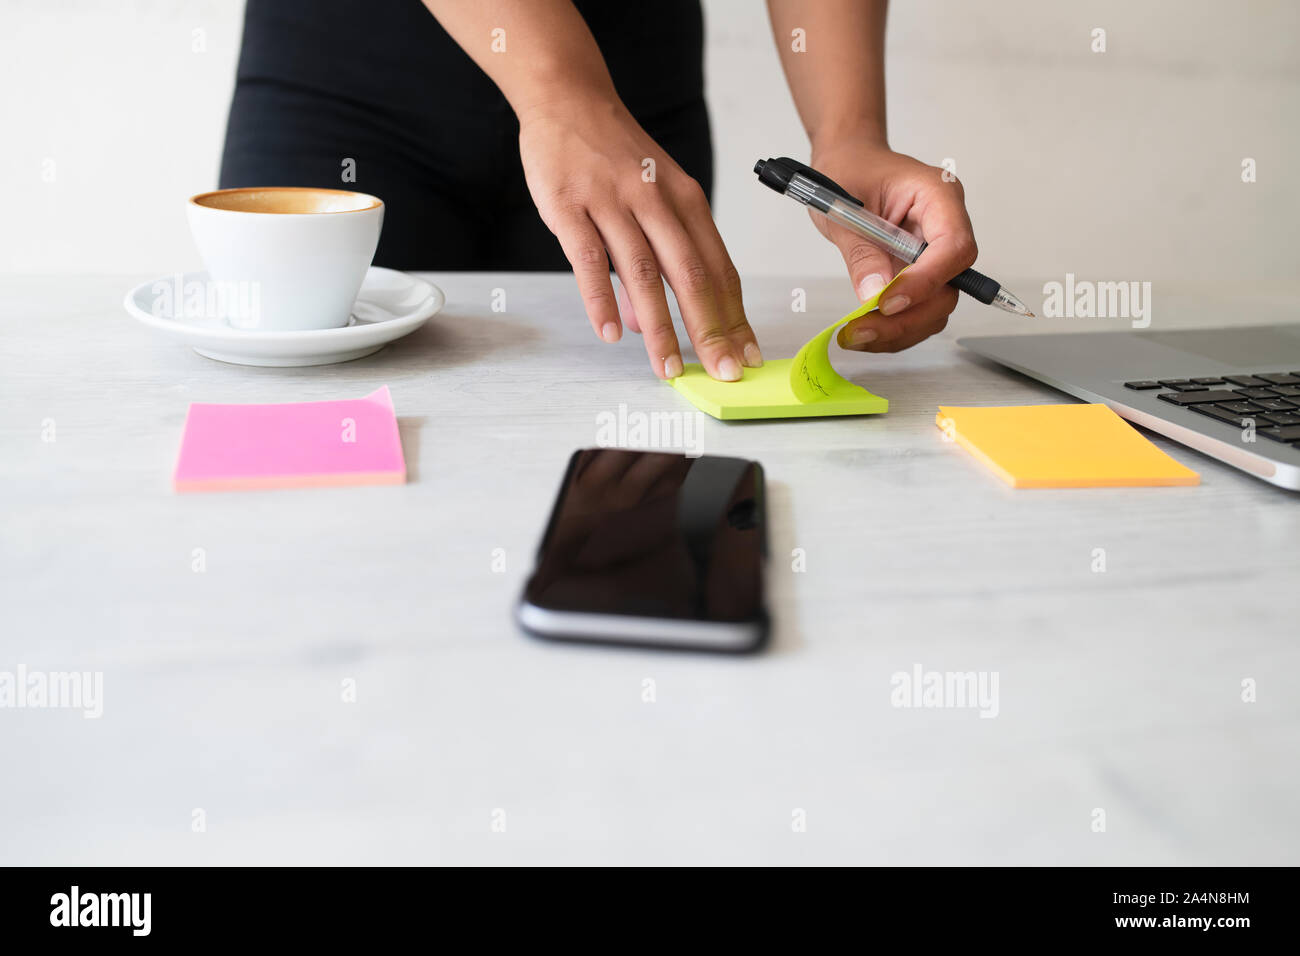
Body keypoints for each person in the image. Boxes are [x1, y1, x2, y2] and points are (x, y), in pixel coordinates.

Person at [219, 0, 977, 382]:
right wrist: (560, 93)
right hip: (345, 88)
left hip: (633, 109)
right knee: (306, 426)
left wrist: (847, 135)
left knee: (618, 459)